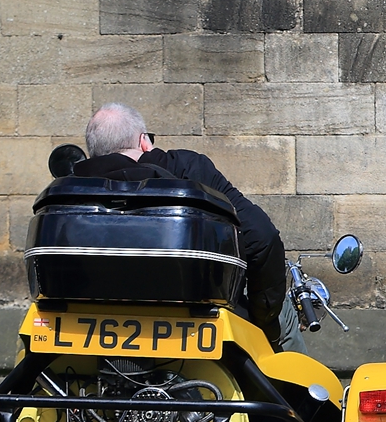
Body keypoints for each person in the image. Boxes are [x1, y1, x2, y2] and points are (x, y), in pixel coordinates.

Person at [69, 104, 302, 353]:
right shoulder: (187, 168)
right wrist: (262, 320)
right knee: (284, 315)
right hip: (194, 318)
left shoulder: (71, 189)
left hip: (82, 323)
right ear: (144, 142)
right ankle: (294, 390)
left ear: (94, 154)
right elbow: (262, 237)